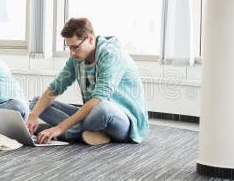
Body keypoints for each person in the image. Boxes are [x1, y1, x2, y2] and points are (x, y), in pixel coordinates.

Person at [26, 17, 149, 145]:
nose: (72, 53)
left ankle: (67, 134)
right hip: (93, 116)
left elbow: (98, 100)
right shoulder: (76, 58)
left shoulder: (110, 54)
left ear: (90, 39)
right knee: (36, 103)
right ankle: (91, 133)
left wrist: (60, 128)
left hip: (124, 121)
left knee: (103, 109)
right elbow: (56, 87)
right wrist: (34, 115)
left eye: (75, 47)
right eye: (69, 48)